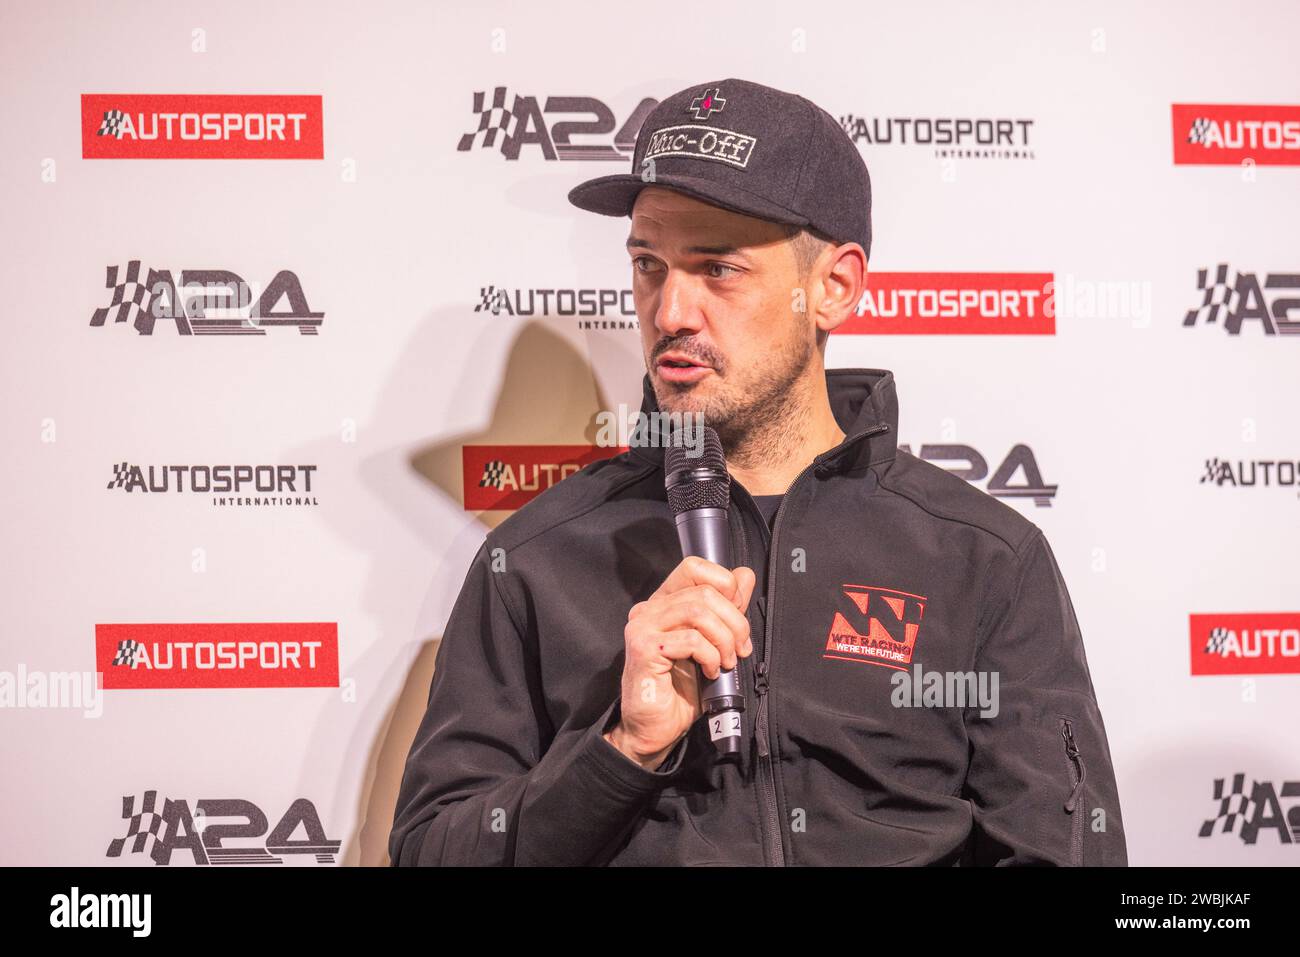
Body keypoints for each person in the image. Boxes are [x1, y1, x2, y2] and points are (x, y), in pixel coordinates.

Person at [389, 77, 1127, 866]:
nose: (670, 311)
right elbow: (433, 850)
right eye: (649, 264)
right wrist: (620, 751)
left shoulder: (982, 556)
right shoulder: (536, 558)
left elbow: (1066, 851)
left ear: (834, 286)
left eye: (718, 269)